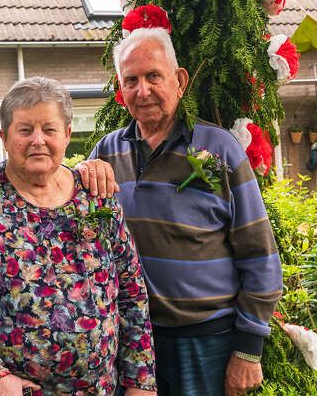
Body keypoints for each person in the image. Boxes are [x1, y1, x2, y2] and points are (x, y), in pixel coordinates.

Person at [0, 77, 157, 396]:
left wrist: (140, 382)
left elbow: (131, 291)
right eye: (25, 130)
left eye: (49, 129)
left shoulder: (96, 196)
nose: (38, 140)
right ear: (4, 137)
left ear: (67, 134)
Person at [85, 28, 283, 396]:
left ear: (179, 81)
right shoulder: (106, 153)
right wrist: (82, 171)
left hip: (208, 342)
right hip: (130, 342)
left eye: (153, 76)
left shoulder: (219, 149)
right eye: (131, 80)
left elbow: (260, 254)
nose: (142, 90)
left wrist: (248, 348)